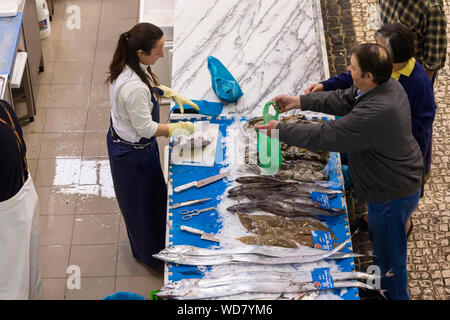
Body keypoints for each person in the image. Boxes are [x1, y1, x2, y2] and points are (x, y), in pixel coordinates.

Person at [255, 43, 423, 300]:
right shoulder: (382, 85)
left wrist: (281, 130)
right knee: (380, 243)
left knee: (391, 258)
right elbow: (344, 98)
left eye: (353, 67)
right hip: (386, 182)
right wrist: (299, 101)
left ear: (368, 75)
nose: (348, 69)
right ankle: (378, 284)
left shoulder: (377, 111)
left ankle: (392, 294)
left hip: (392, 192)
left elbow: (329, 135)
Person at [304, 23, 436, 234]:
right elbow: (352, 78)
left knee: (396, 205)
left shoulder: (418, 83)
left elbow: (422, 126)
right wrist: (325, 85)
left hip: (399, 155)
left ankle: (401, 228)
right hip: (375, 141)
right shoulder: (379, 68)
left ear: (392, 58)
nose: (375, 49)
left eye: (380, 47)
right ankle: (370, 219)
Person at [106, 23, 197, 271]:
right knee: (144, 206)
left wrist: (168, 93)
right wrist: (179, 129)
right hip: (132, 156)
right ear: (141, 53)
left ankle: (152, 245)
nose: (162, 55)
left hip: (123, 141)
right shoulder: (133, 87)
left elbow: (144, 88)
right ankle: (154, 258)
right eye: (157, 51)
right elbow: (146, 129)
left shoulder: (128, 65)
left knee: (148, 201)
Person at [0, 99, 41, 299]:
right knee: (12, 284)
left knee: (28, 272)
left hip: (22, 194)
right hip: (7, 215)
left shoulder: (4, 108)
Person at [379, 0, 447, 83]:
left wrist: (422, 89)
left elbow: (433, 61)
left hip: (410, 78)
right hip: (386, 70)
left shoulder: (432, 7)